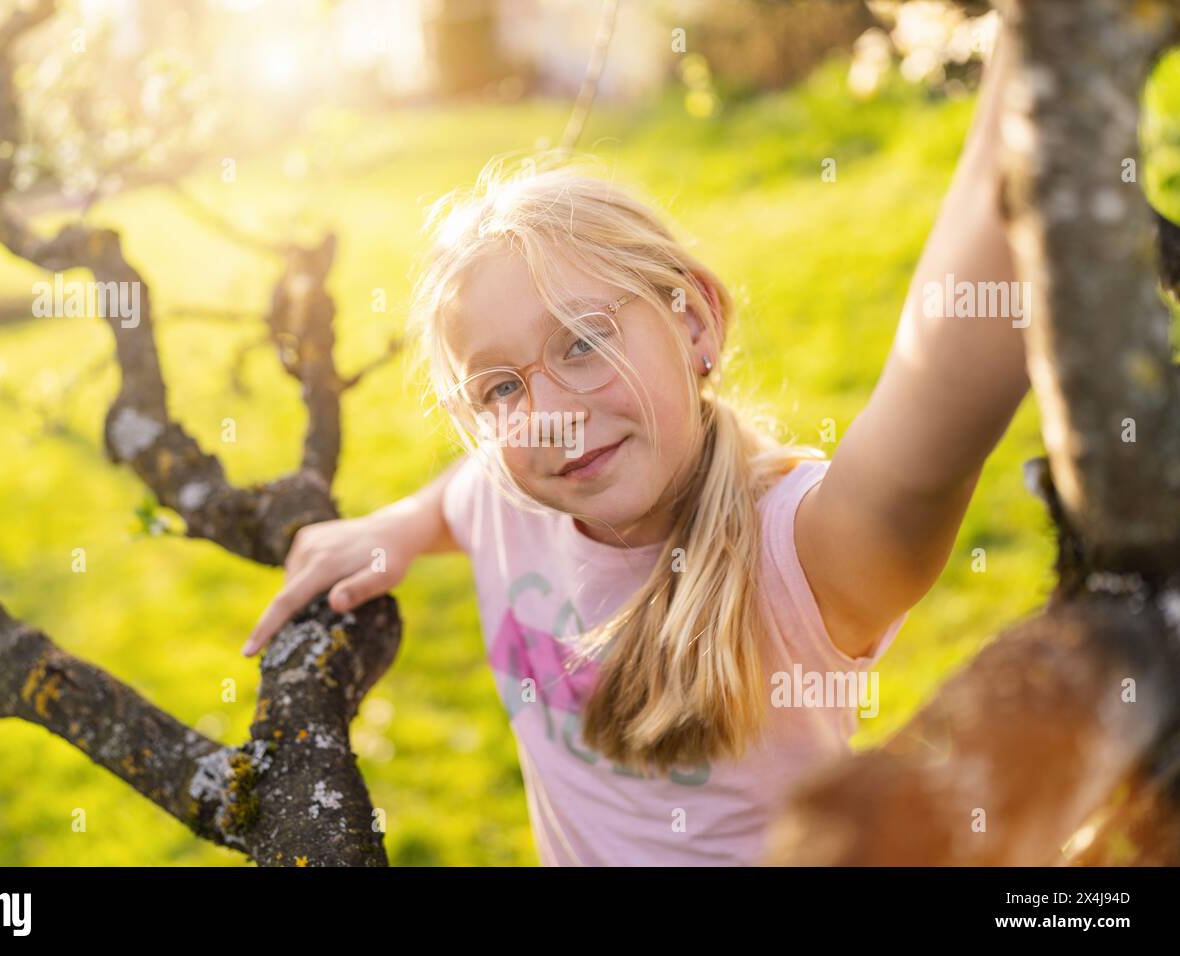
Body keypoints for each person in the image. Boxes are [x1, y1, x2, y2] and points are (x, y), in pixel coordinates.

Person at [242, 34, 1028, 865]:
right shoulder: (514, 499)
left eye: (582, 342)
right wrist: (397, 527)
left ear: (694, 320)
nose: (547, 419)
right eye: (501, 389)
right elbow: (462, 491)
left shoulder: (805, 558)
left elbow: (950, 378)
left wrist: (1046, 57)